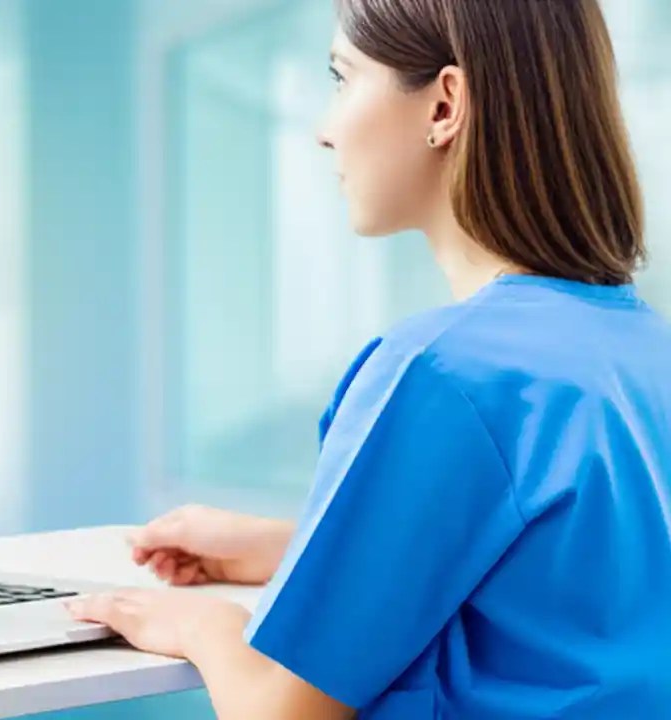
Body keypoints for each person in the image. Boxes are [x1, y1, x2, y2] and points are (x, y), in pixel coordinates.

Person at [65, 1, 671, 717]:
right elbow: (565, 574)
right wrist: (291, 546)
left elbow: (280, 711)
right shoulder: (644, 347)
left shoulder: (440, 373)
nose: (324, 132)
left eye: (341, 78)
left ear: (444, 105)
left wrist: (204, 626)